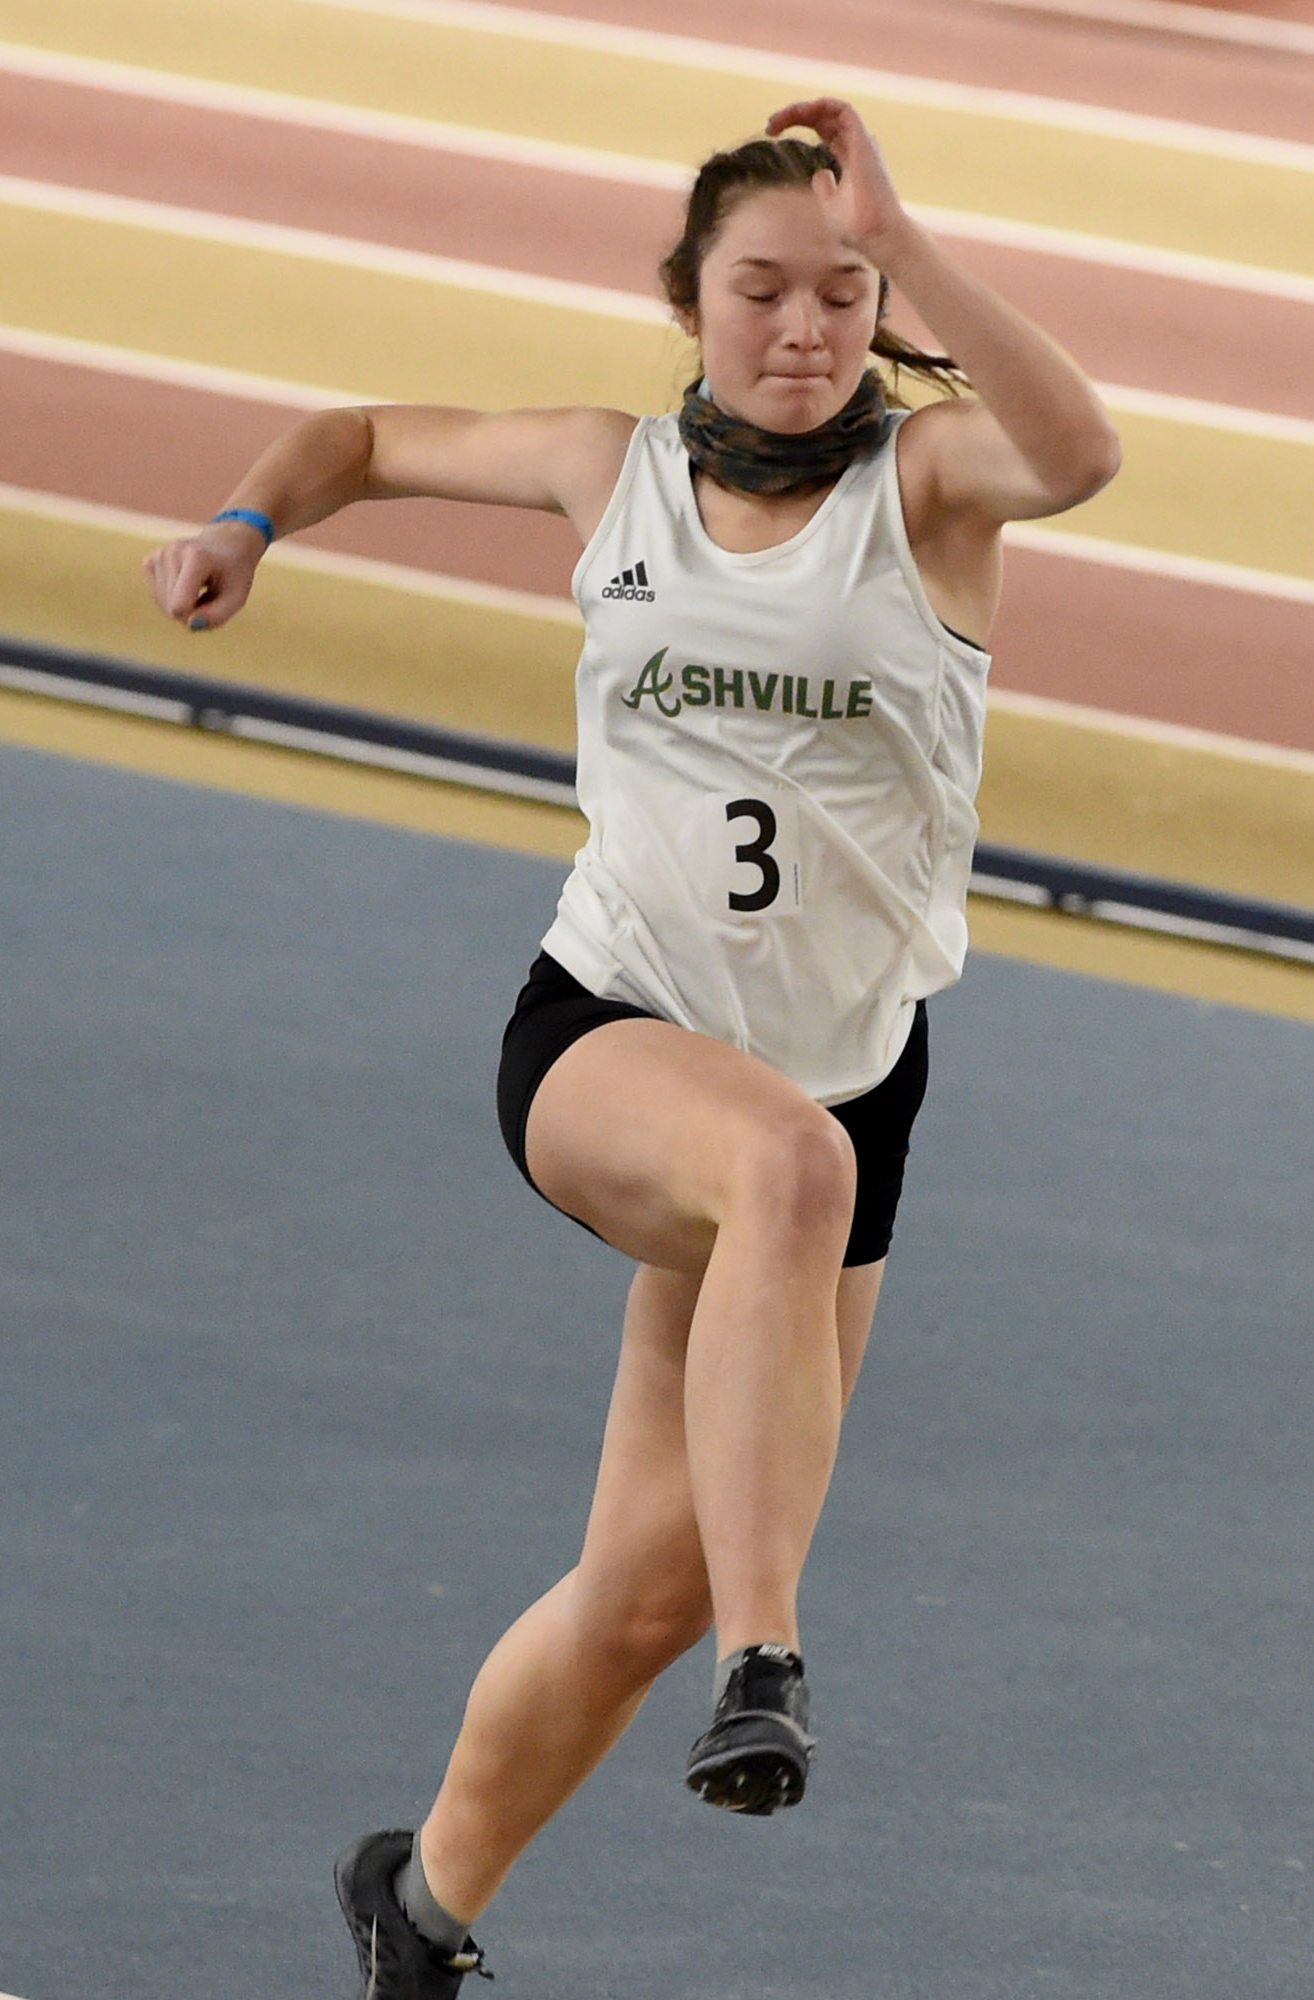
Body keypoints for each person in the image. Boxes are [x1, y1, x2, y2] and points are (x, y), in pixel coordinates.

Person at [145, 95, 1119, 2000]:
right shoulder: (609, 475)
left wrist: (911, 239)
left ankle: (419, 1903)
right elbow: (357, 436)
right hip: (610, 1032)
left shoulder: (928, 491)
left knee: (635, 1589)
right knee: (779, 1170)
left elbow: (1081, 451)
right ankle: (770, 1660)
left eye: (842, 294)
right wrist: (243, 523)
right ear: (686, 301)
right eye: (759, 290)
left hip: (842, 1077)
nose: (802, 328)